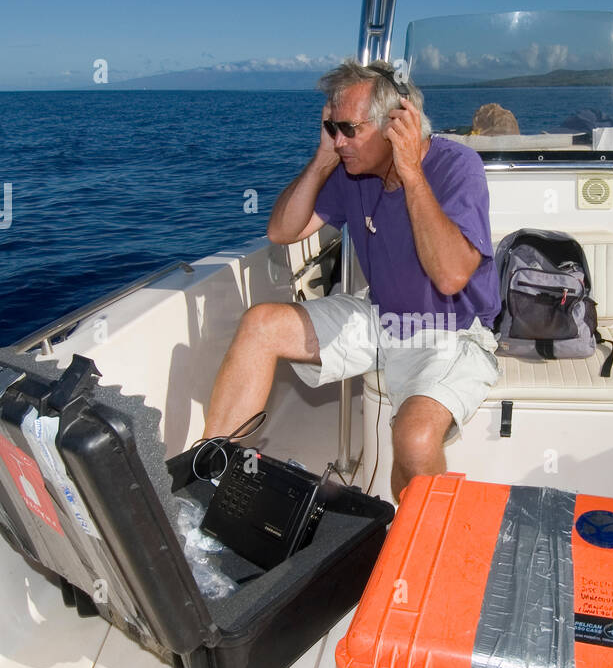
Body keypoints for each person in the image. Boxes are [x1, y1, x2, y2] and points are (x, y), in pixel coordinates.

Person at [200, 60, 501, 501]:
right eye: (331, 128)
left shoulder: (458, 167)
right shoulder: (349, 171)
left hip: (450, 330)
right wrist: (323, 159)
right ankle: (210, 476)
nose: (339, 141)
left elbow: (451, 277)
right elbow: (281, 231)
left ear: (396, 126)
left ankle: (420, 548)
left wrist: (412, 173)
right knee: (261, 326)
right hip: (381, 316)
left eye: (348, 129)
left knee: (415, 441)